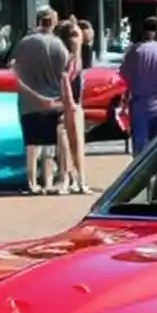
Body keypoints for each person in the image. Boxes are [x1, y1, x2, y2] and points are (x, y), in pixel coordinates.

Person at [11, 7, 71, 194]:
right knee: (50, 144)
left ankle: (31, 182)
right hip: (53, 99)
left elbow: (14, 69)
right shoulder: (59, 46)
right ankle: (48, 182)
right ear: (53, 22)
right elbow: (66, 72)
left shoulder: (23, 44)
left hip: (28, 102)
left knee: (31, 143)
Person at [118, 16, 157, 156]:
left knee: (140, 149)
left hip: (140, 106)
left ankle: (141, 176)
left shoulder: (135, 52)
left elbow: (123, 74)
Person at [56, 19, 92, 194]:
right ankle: (70, 179)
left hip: (75, 105)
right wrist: (70, 104)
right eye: (77, 34)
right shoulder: (68, 57)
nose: (82, 36)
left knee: (76, 143)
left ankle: (79, 179)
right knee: (69, 143)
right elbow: (64, 79)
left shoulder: (78, 57)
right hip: (70, 106)